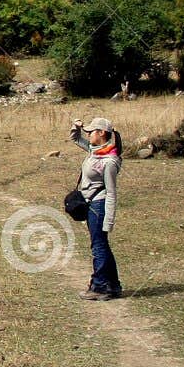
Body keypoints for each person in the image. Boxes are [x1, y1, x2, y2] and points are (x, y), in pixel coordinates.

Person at [70, 116, 123, 300]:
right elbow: (76, 139)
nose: (89, 134)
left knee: (98, 247)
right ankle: (113, 285)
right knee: (102, 246)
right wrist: (76, 128)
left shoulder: (109, 161)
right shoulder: (95, 151)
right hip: (92, 205)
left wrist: (109, 220)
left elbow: (111, 193)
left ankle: (99, 286)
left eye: (91, 131)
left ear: (101, 133)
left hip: (98, 206)